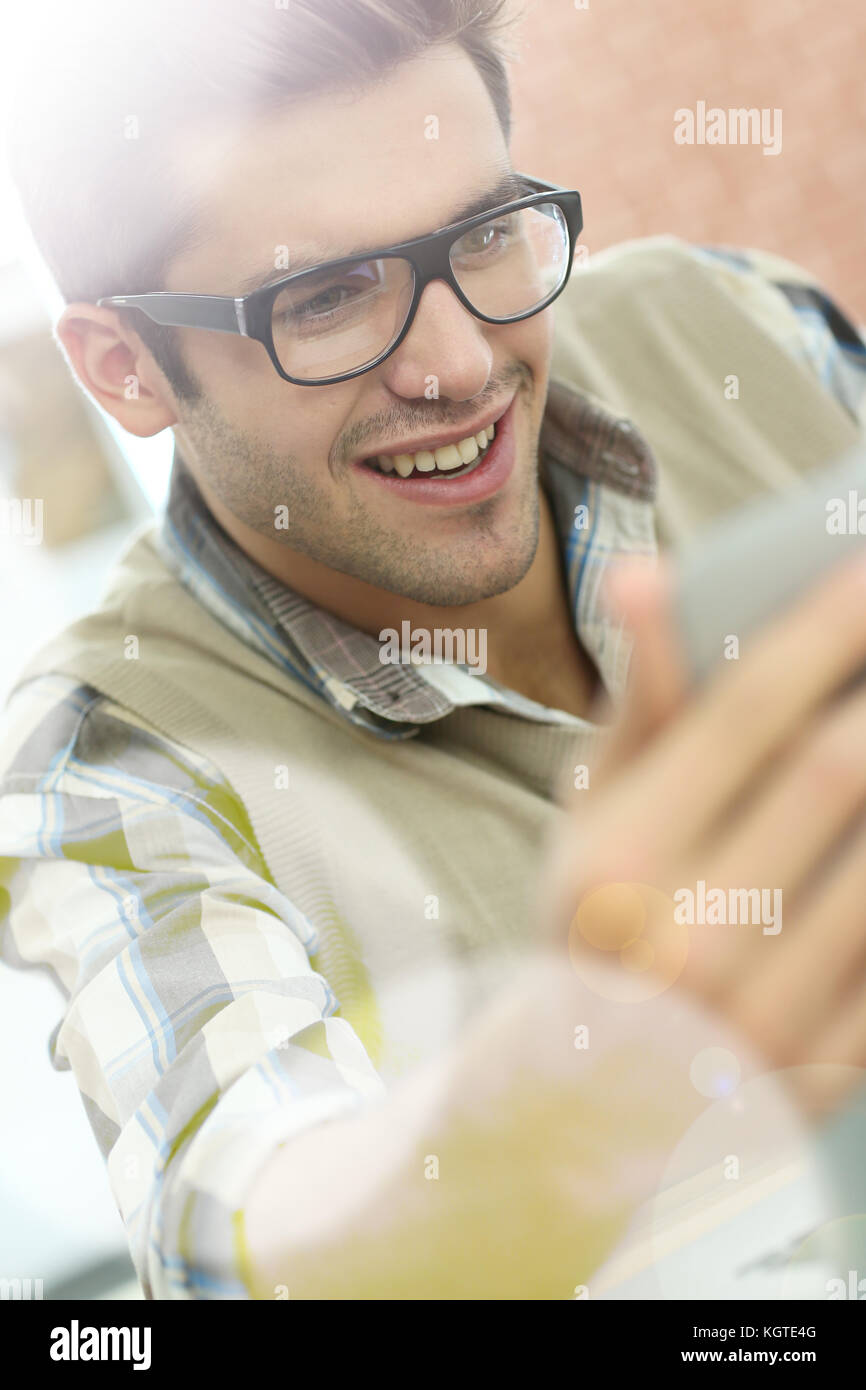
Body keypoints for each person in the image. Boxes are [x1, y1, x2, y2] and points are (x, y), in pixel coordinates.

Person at [2, 0, 866, 1300]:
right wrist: (587, 1088)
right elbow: (244, 1239)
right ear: (124, 364)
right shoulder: (115, 759)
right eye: (330, 295)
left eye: (483, 232)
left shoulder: (733, 319)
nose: (461, 365)